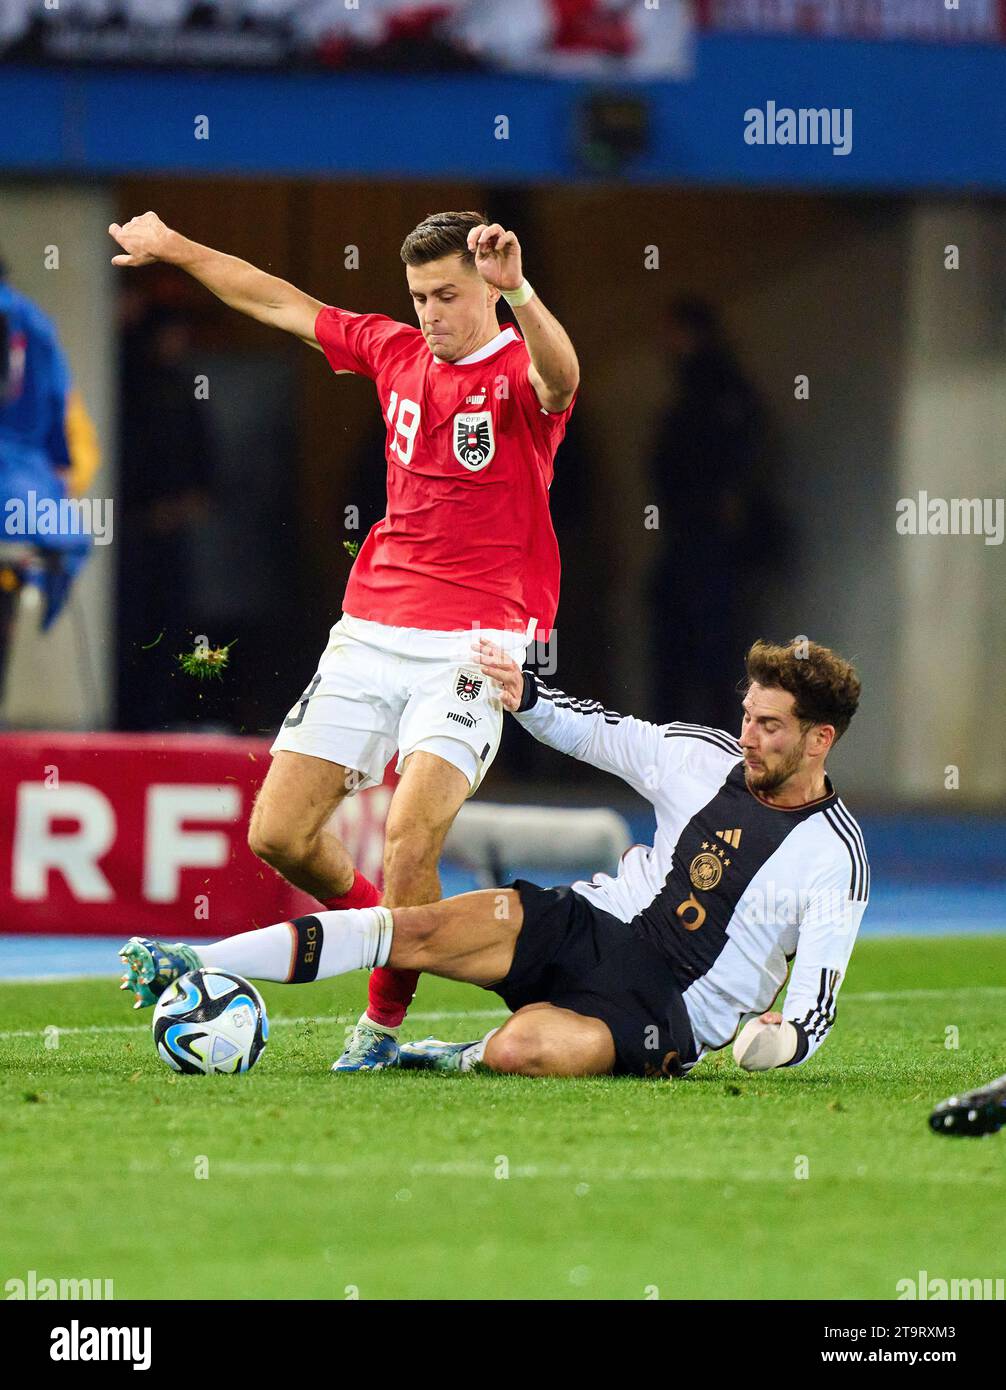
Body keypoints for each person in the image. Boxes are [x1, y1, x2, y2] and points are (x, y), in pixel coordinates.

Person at [107, 209, 579, 1069]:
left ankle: (380, 1028)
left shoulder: (517, 368)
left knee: (409, 836)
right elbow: (277, 300)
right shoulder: (392, 352)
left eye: (447, 296)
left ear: (487, 293)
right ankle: (396, 934)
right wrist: (175, 247)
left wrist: (523, 292)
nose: (430, 313)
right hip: (368, 633)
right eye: (419, 297)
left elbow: (562, 376)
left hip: (473, 644)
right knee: (279, 836)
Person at [118, 636, 869, 1080]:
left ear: (819, 740)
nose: (747, 737)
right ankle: (194, 960)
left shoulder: (836, 857)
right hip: (589, 923)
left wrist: (780, 1043)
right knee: (413, 928)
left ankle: (458, 1054)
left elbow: (817, 997)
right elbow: (603, 733)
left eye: (769, 727)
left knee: (524, 1050)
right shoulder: (702, 756)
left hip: (665, 1012)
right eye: (747, 717)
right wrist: (528, 695)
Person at [0, 252, 100, 707]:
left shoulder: (29, 325)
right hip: (22, 480)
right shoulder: (34, 322)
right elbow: (56, 402)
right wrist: (58, 473)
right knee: (68, 541)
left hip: (18, 470)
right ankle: (37, 585)